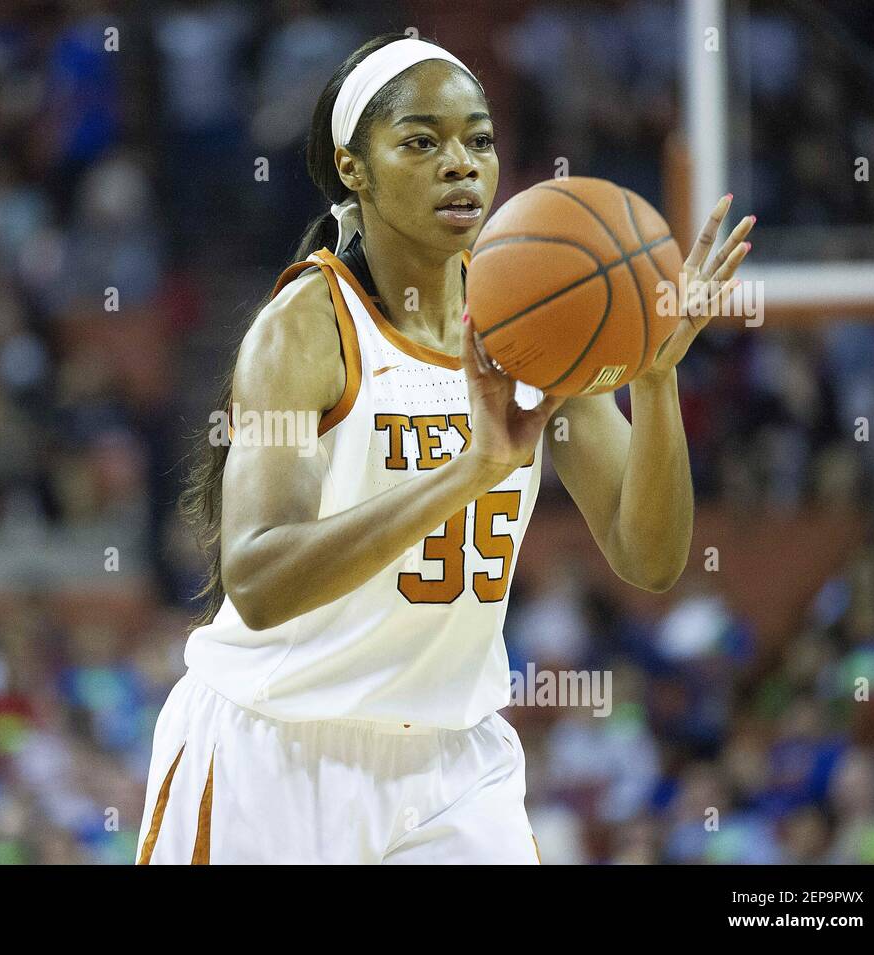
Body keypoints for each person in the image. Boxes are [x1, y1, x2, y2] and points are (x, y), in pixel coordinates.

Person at [137, 33, 754, 864]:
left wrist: (653, 378)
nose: (462, 163)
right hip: (275, 748)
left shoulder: (541, 320)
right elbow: (257, 577)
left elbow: (649, 558)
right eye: (422, 141)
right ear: (354, 168)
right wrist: (472, 472)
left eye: (480, 139)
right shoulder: (303, 333)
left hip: (453, 763)